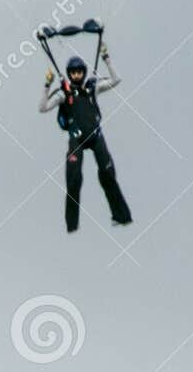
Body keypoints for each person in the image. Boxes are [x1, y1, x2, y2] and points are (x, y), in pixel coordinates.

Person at [40, 45, 133, 233]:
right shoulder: (63, 93)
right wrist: (47, 85)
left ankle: (121, 217)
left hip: (96, 137)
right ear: (69, 74)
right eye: (73, 73)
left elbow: (117, 79)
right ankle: (72, 226)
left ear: (83, 72)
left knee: (108, 175)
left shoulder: (92, 87)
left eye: (79, 72)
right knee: (73, 180)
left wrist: (106, 57)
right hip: (76, 140)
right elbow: (43, 108)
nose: (76, 75)